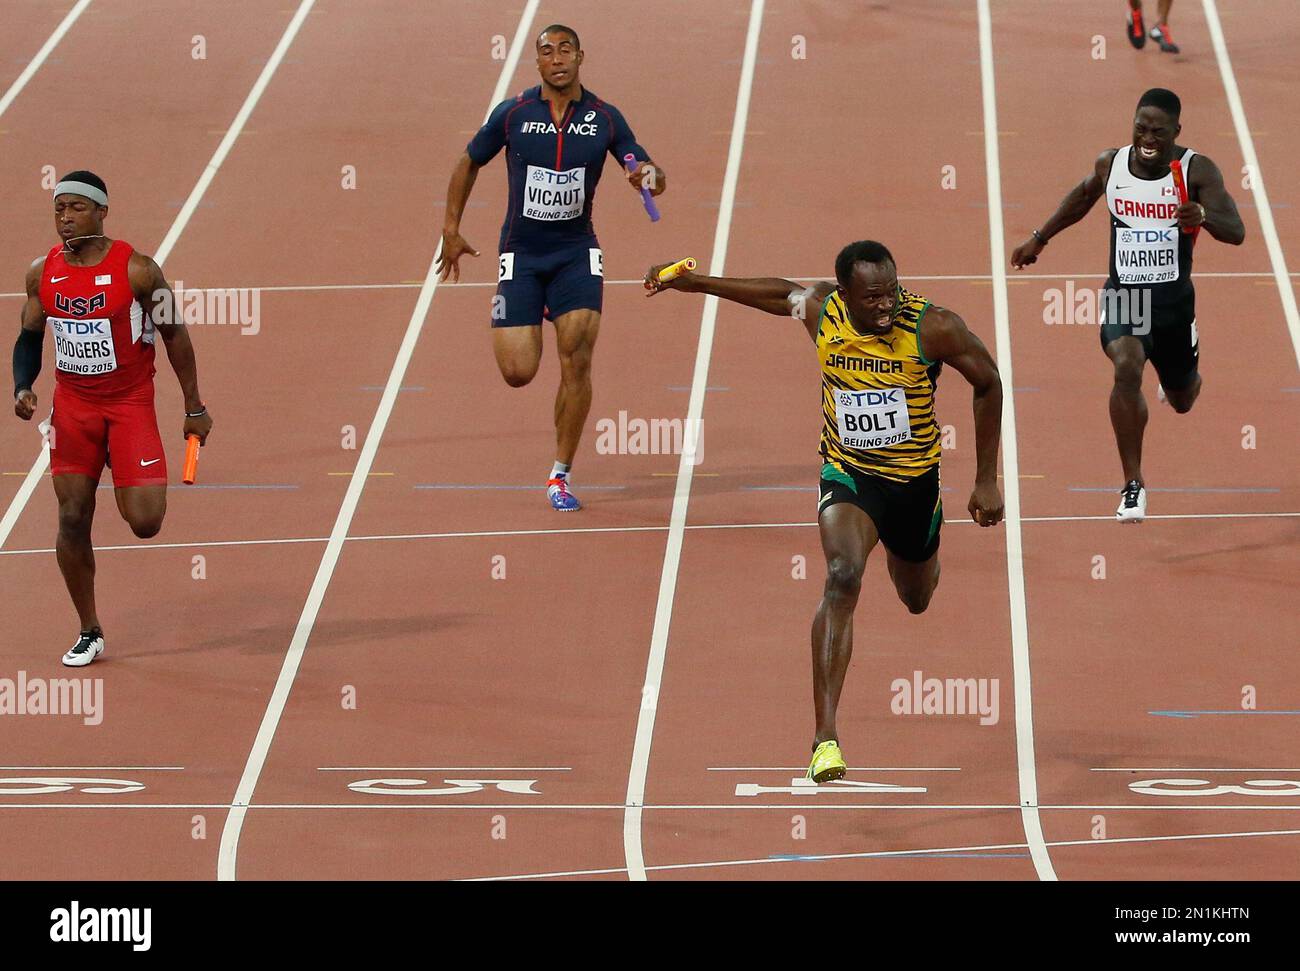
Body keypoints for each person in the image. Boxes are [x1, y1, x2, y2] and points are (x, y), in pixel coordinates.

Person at [645, 241, 1005, 783]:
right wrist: (697, 283)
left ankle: (914, 549)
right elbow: (777, 291)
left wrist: (984, 479)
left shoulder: (934, 328)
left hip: (913, 485)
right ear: (845, 295)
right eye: (873, 299)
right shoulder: (822, 310)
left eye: (891, 292)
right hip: (849, 473)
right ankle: (825, 737)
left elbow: (989, 382)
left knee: (916, 598)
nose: (886, 307)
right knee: (842, 577)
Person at [437, 24, 666, 511]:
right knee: (518, 372)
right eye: (547, 51)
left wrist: (648, 175)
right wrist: (451, 229)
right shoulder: (513, 114)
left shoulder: (604, 118)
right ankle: (531, 307)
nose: (557, 58)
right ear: (537, 61)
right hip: (521, 252)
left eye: (565, 49)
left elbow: (644, 166)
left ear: (581, 56)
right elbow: (466, 162)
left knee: (577, 357)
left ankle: (560, 475)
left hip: (576, 253)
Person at [1010, 89, 1244, 521]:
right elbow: (1082, 198)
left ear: (1177, 131)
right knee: (1126, 365)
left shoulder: (1196, 171)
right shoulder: (1112, 163)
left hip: (1174, 304)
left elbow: (1237, 231)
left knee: (1183, 399)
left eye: (1158, 130)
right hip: (1126, 295)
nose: (1147, 138)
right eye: (1140, 127)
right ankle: (1132, 484)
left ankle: (1176, 379)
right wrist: (1039, 239)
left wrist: (1204, 218)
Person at [11, 170, 212, 666]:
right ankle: (89, 629)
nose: (66, 217)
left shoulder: (140, 271)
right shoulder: (43, 272)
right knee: (72, 516)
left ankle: (125, 478)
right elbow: (30, 335)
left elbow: (175, 335)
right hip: (73, 408)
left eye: (77, 207)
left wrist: (194, 406)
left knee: (145, 522)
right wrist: (22, 385)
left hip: (129, 404)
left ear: (102, 212)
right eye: (59, 208)